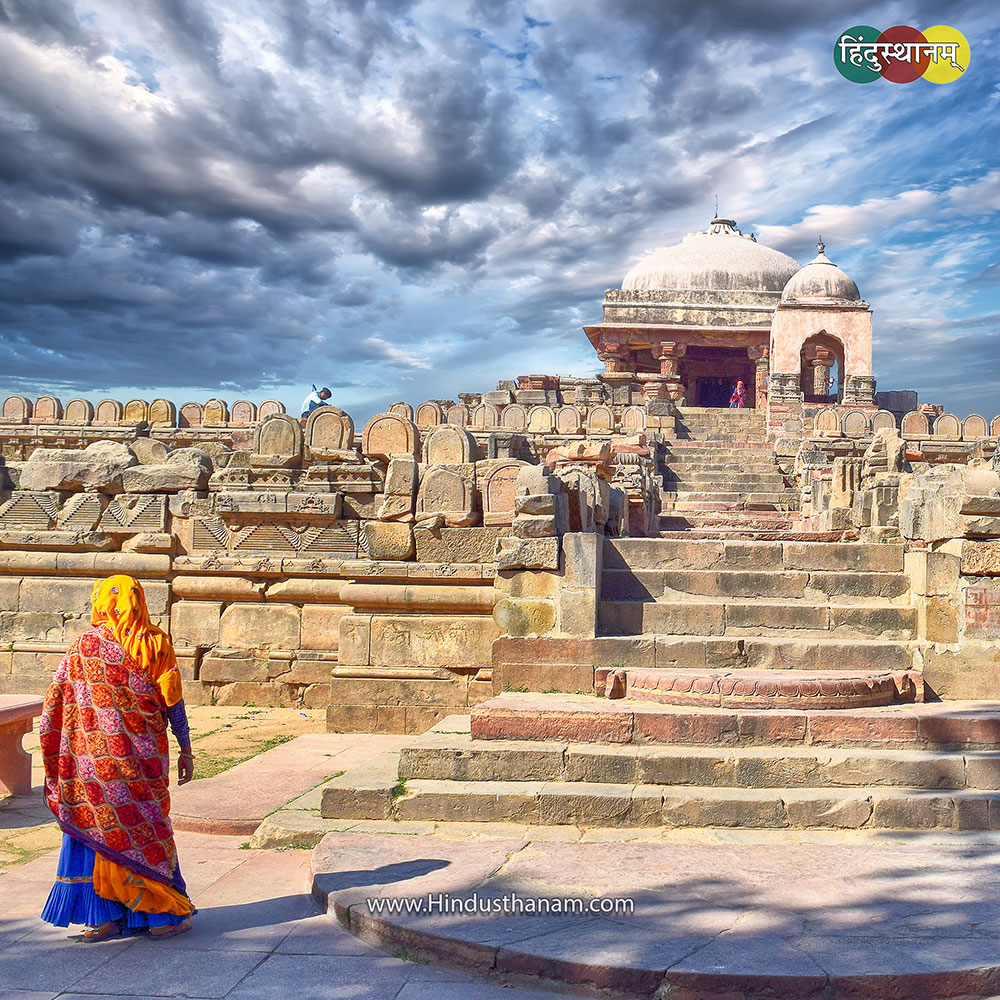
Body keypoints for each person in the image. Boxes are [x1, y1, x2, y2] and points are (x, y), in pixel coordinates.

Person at [39, 575, 196, 942]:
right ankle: (157, 918)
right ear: (137, 600)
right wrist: (186, 748)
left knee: (95, 827)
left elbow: (55, 706)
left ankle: (100, 918)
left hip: (93, 769)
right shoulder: (154, 643)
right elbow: (173, 702)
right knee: (146, 830)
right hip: (141, 765)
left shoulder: (82, 647)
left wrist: (68, 749)